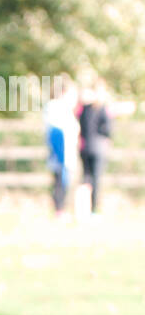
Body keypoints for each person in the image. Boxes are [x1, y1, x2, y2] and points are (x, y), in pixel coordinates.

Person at [44, 75, 78, 216]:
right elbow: (56, 130)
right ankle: (59, 209)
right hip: (60, 149)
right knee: (59, 180)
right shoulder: (55, 106)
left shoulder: (62, 107)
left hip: (66, 149)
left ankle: (62, 208)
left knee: (64, 180)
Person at [78, 78, 112, 215]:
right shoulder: (103, 109)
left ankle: (82, 209)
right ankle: (93, 209)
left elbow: (81, 126)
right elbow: (108, 129)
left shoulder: (84, 109)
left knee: (86, 178)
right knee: (96, 179)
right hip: (98, 148)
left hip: (85, 147)